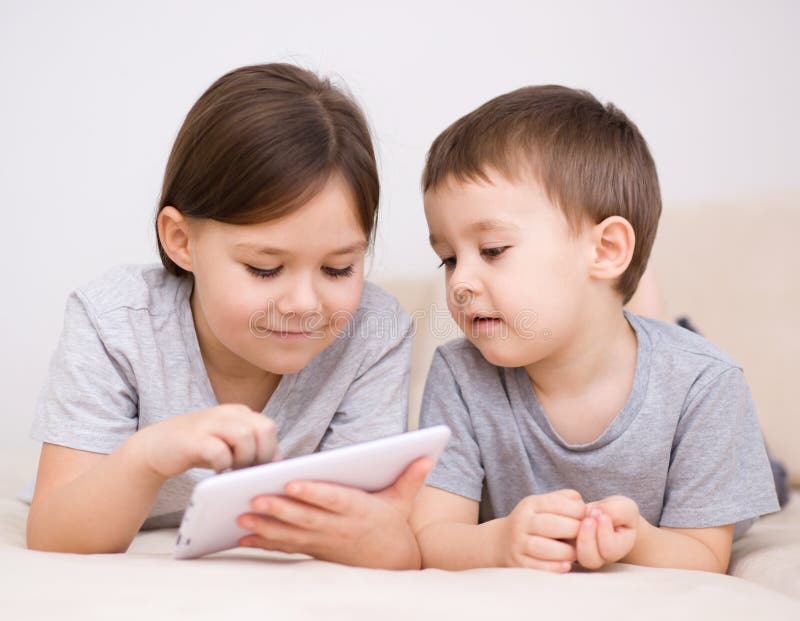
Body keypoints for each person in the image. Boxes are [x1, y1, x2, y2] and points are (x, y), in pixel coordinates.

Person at [26, 63, 431, 569]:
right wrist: (148, 455)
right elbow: (53, 534)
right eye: (265, 269)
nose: (304, 304)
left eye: (338, 268)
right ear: (181, 241)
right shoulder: (114, 321)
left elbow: (364, 521)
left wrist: (384, 535)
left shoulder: (373, 332)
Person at [411, 85, 780, 573]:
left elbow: (705, 554)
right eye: (448, 259)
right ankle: (637, 312)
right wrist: (497, 542)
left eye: (494, 250)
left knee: (765, 476)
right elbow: (432, 536)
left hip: (698, 404)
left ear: (605, 249)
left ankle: (659, 320)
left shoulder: (705, 384)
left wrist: (638, 541)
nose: (459, 283)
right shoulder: (460, 374)